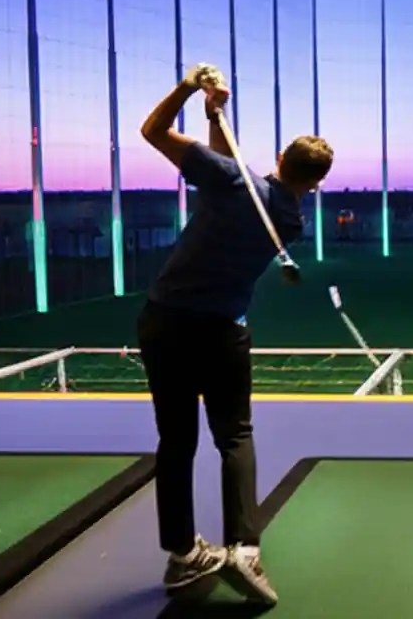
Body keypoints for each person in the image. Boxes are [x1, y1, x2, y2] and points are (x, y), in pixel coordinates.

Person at [136, 63, 333, 605]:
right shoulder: (289, 218)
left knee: (176, 440)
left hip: (166, 321)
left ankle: (182, 556)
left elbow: (152, 132)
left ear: (279, 160)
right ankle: (245, 549)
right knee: (235, 436)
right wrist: (215, 113)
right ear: (315, 183)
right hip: (222, 331)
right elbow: (235, 170)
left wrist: (185, 88)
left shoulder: (226, 181)